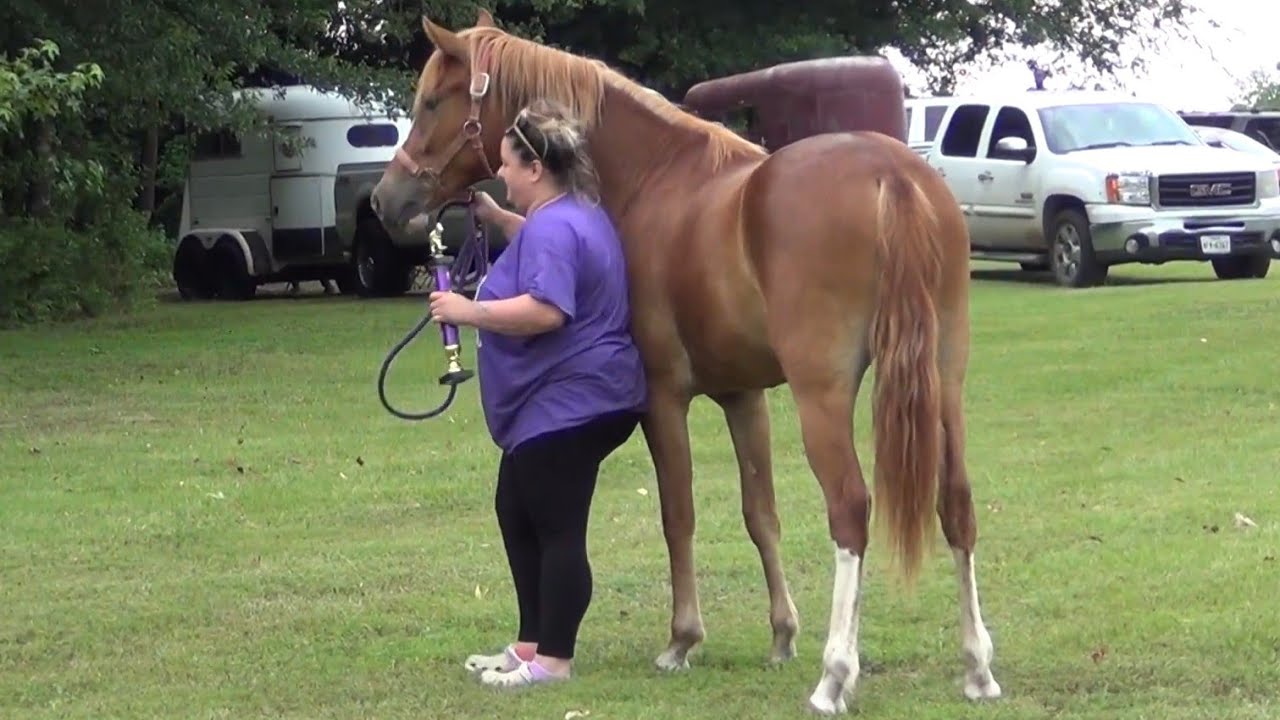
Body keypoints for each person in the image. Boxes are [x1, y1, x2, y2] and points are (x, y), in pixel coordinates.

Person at [426, 99, 648, 689]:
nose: (499, 172)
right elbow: (548, 244)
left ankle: (554, 661)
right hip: (576, 398)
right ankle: (530, 646)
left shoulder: (555, 226)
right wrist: (499, 217)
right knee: (516, 508)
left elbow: (549, 310)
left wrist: (468, 312)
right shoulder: (573, 213)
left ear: (535, 168)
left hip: (575, 400)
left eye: (506, 164)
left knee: (555, 527)